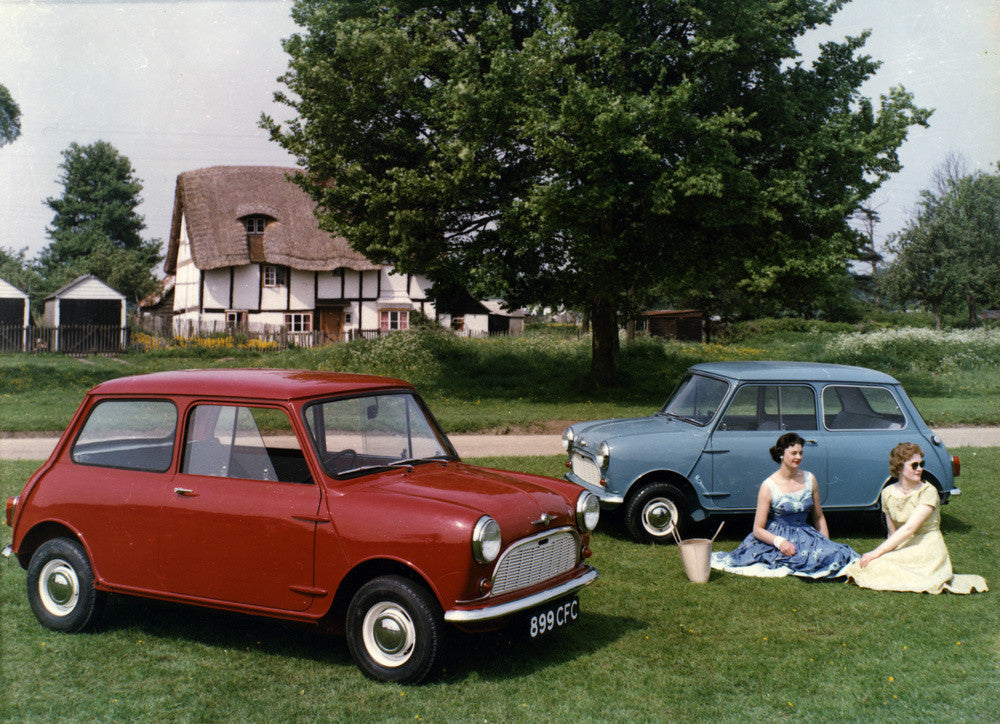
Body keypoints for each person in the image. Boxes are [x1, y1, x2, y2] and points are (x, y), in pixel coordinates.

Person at [843, 442, 988, 594]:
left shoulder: (928, 491)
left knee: (881, 566)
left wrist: (876, 552)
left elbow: (910, 528)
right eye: (914, 465)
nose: (920, 469)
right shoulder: (887, 493)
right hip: (906, 545)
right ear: (899, 468)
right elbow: (892, 532)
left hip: (927, 547)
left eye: (921, 464)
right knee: (870, 565)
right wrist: (884, 554)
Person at [711, 432, 859, 578]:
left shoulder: (809, 478)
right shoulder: (768, 485)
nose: (799, 457)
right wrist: (780, 543)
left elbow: (818, 517)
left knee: (835, 554)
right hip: (778, 535)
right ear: (782, 454)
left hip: (805, 533)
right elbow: (757, 529)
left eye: (801, 453)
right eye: (794, 453)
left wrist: (826, 543)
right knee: (798, 559)